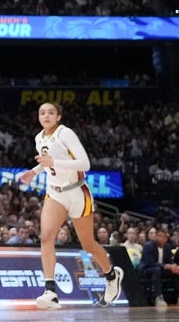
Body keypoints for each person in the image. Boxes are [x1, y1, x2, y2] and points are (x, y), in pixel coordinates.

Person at [18, 102, 123, 309]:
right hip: (55, 193)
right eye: (42, 112)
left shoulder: (66, 134)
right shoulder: (39, 138)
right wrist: (35, 171)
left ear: (58, 117)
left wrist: (52, 163)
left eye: (50, 112)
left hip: (77, 192)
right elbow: (47, 161)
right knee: (46, 236)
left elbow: (85, 164)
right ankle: (50, 292)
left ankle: (112, 275)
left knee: (88, 245)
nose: (46, 115)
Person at [139, 228, 178, 308]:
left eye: (164, 237)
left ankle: (177, 296)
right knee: (156, 270)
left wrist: (174, 266)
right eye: (160, 236)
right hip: (147, 269)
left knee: (176, 271)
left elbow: (169, 260)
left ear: (166, 239)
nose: (162, 238)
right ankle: (158, 297)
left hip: (161, 269)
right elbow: (150, 262)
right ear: (156, 237)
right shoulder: (148, 246)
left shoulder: (167, 247)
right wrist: (166, 266)